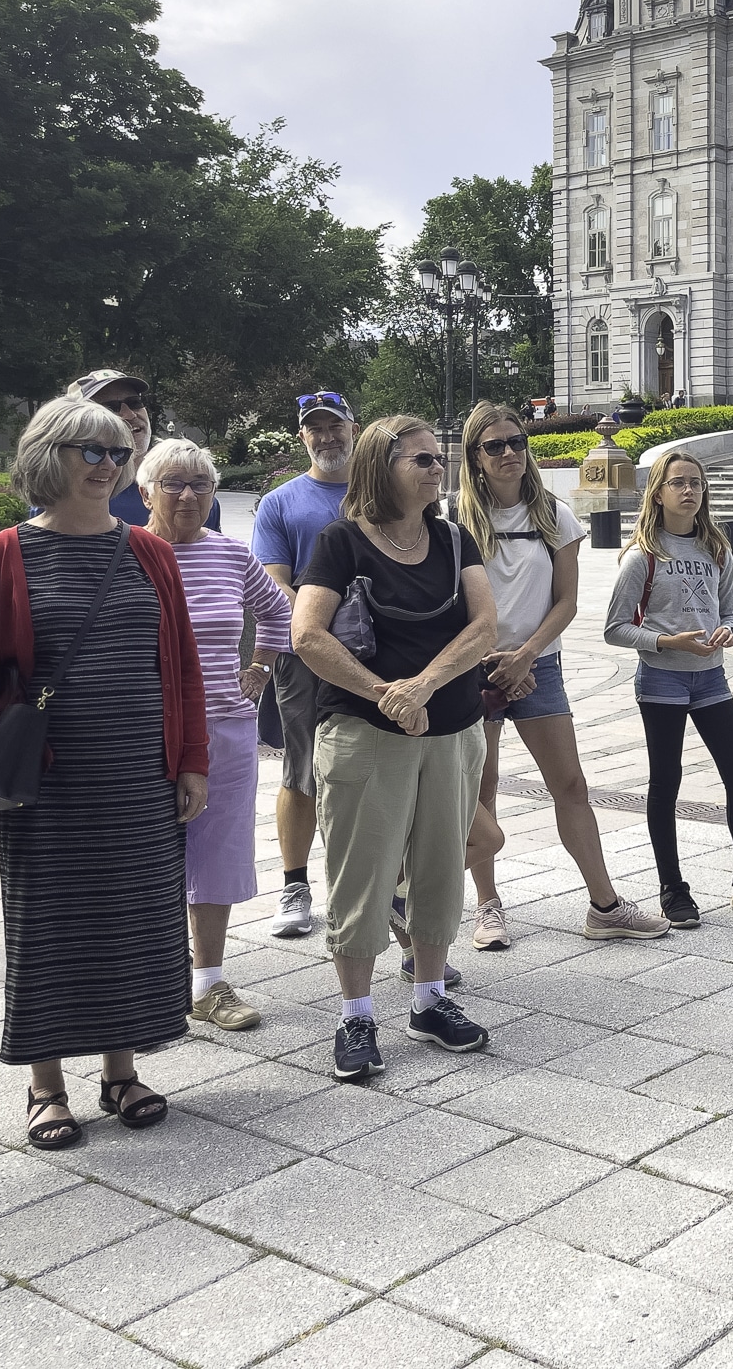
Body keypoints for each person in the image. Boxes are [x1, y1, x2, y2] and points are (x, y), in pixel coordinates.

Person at [0, 398, 208, 1148]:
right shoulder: (3, 554)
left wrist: (192, 761)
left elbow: (184, 668)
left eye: (116, 453)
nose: (106, 466)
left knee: (131, 925)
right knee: (51, 929)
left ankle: (122, 1071)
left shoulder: (149, 552)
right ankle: (46, 1085)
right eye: (88, 452)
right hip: (51, 781)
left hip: (140, 777)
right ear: (48, 457)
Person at [292, 415, 496, 1081]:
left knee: (440, 869)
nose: (438, 469)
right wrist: (385, 694)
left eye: (439, 459)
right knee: (363, 877)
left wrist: (425, 685)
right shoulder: (340, 542)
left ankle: (429, 1001)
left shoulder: (452, 538)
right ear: (383, 466)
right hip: (364, 733)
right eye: (422, 460)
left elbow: (485, 624)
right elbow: (307, 636)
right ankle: (355, 1014)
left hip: (452, 728)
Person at [457, 402, 668, 948]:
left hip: (537, 664)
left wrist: (526, 656)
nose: (509, 453)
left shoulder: (552, 513)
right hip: (473, 670)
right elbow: (448, 604)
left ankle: (605, 906)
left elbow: (568, 602)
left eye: (516, 442)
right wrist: (495, 662)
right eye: (494, 446)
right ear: (475, 458)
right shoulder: (455, 520)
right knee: (484, 788)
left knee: (570, 785)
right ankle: (488, 907)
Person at [605, 453, 733, 928]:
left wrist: (729, 632)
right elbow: (614, 628)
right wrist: (666, 642)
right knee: (665, 782)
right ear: (658, 492)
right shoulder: (642, 556)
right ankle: (672, 889)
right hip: (661, 679)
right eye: (678, 483)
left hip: (711, 677)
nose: (689, 491)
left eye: (696, 483)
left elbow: (732, 611)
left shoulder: (717, 548)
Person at [140, 439, 294, 1031]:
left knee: (218, 846)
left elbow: (279, 611)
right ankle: (154, 976)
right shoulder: (128, 553)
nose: (188, 496)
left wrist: (262, 666)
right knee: (147, 849)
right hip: (148, 727)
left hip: (227, 724)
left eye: (200, 485)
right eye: (174, 483)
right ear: (146, 490)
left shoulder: (231, 555)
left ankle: (207, 981)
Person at [253, 391, 356, 939]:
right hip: (305, 660)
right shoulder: (280, 503)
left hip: (380, 659)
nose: (326, 436)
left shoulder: (377, 492)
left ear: (353, 428)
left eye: (334, 425)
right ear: (302, 437)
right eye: (314, 429)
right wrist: (324, 637)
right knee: (301, 767)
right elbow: (274, 583)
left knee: (371, 766)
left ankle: (372, 883)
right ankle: (295, 884)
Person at [62, 369, 222, 531]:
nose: (129, 415)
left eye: (134, 403)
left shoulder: (197, 498)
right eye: (110, 408)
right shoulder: (60, 501)